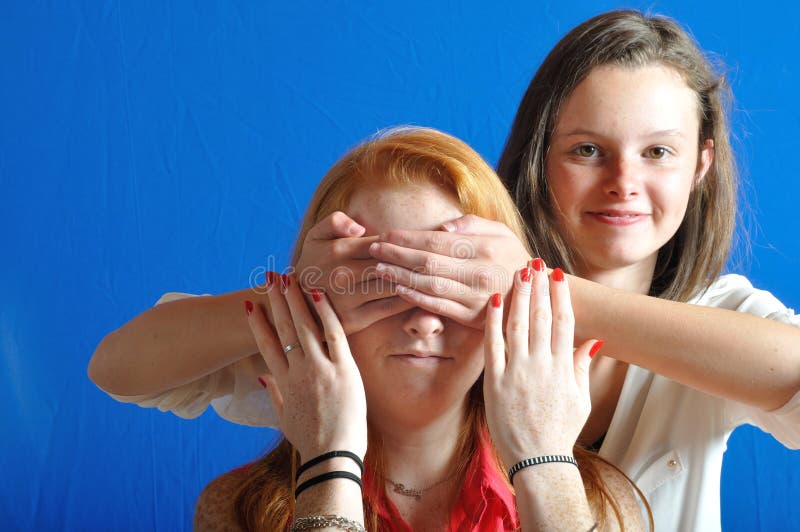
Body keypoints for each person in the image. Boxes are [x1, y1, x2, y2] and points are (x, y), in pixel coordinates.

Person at [354, 10, 800, 532]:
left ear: (700, 166)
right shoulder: (454, 301)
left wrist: (539, 292)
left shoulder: (726, 314)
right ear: (539, 157)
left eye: (658, 152)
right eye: (588, 150)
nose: (624, 182)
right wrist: (305, 296)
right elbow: (236, 370)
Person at [182, 128, 645, 529]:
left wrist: (545, 470)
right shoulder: (237, 511)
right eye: (380, 283)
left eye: (457, 286)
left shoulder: (607, 504)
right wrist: (327, 470)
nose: (424, 321)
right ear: (313, 303)